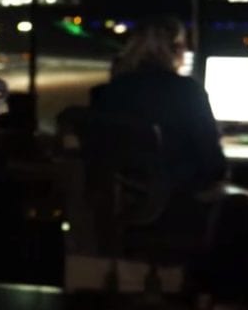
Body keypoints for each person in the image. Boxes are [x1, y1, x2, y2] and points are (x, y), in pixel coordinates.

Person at [90, 15, 226, 196]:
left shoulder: (106, 93)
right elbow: (212, 162)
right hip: (179, 198)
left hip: (120, 200)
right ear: (177, 49)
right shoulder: (187, 91)